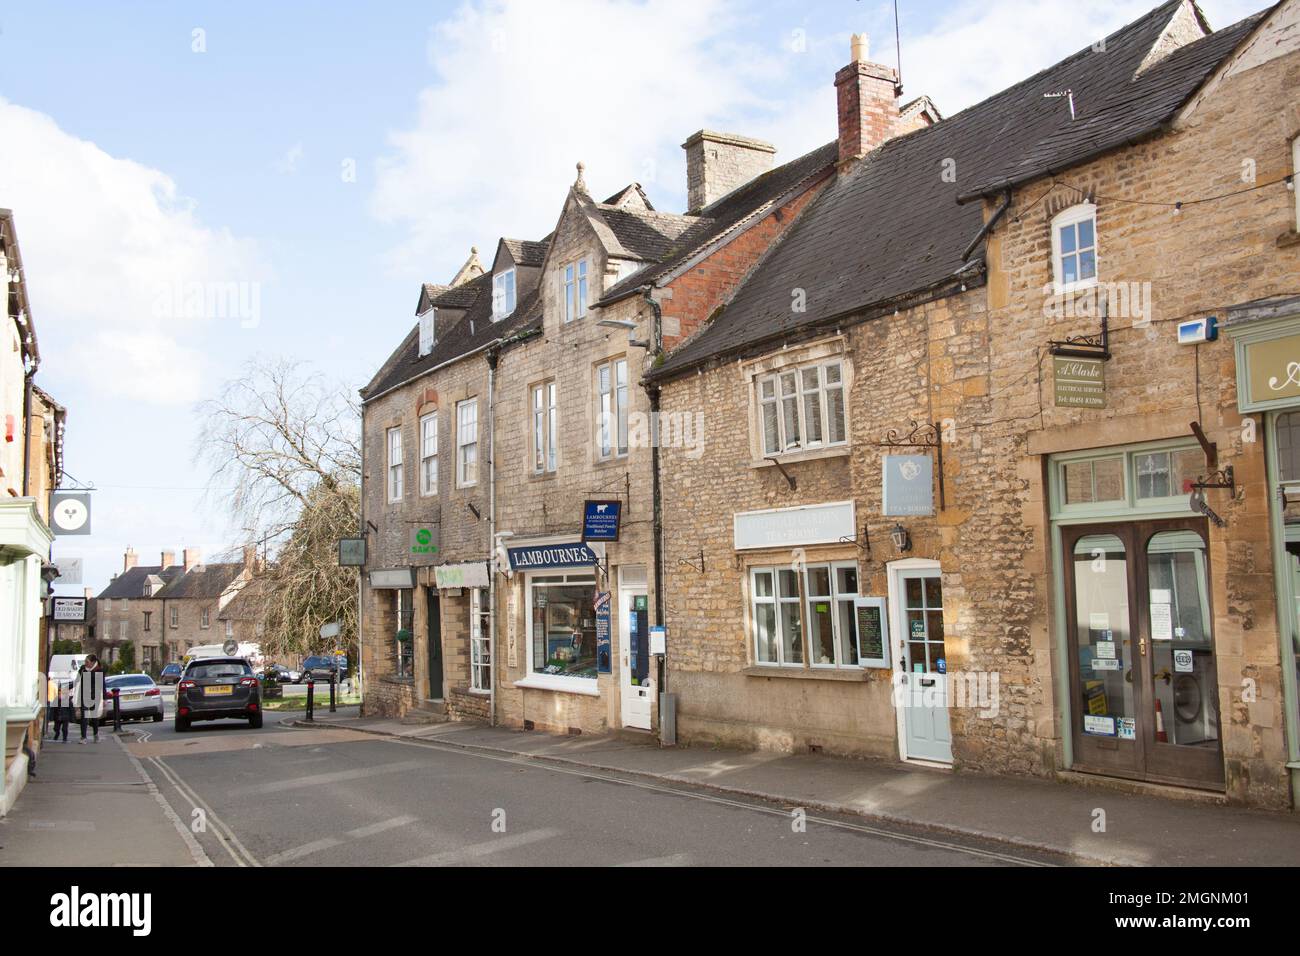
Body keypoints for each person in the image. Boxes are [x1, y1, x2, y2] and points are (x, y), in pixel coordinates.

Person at [72, 654, 105, 743]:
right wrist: (67, 687)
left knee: (94, 718)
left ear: (93, 662)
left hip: (95, 696)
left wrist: (105, 699)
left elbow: (103, 685)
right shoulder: (83, 669)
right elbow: (77, 681)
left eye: (87, 662)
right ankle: (83, 737)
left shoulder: (99, 670)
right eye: (85, 661)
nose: (85, 663)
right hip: (84, 696)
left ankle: (96, 734)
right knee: (84, 717)